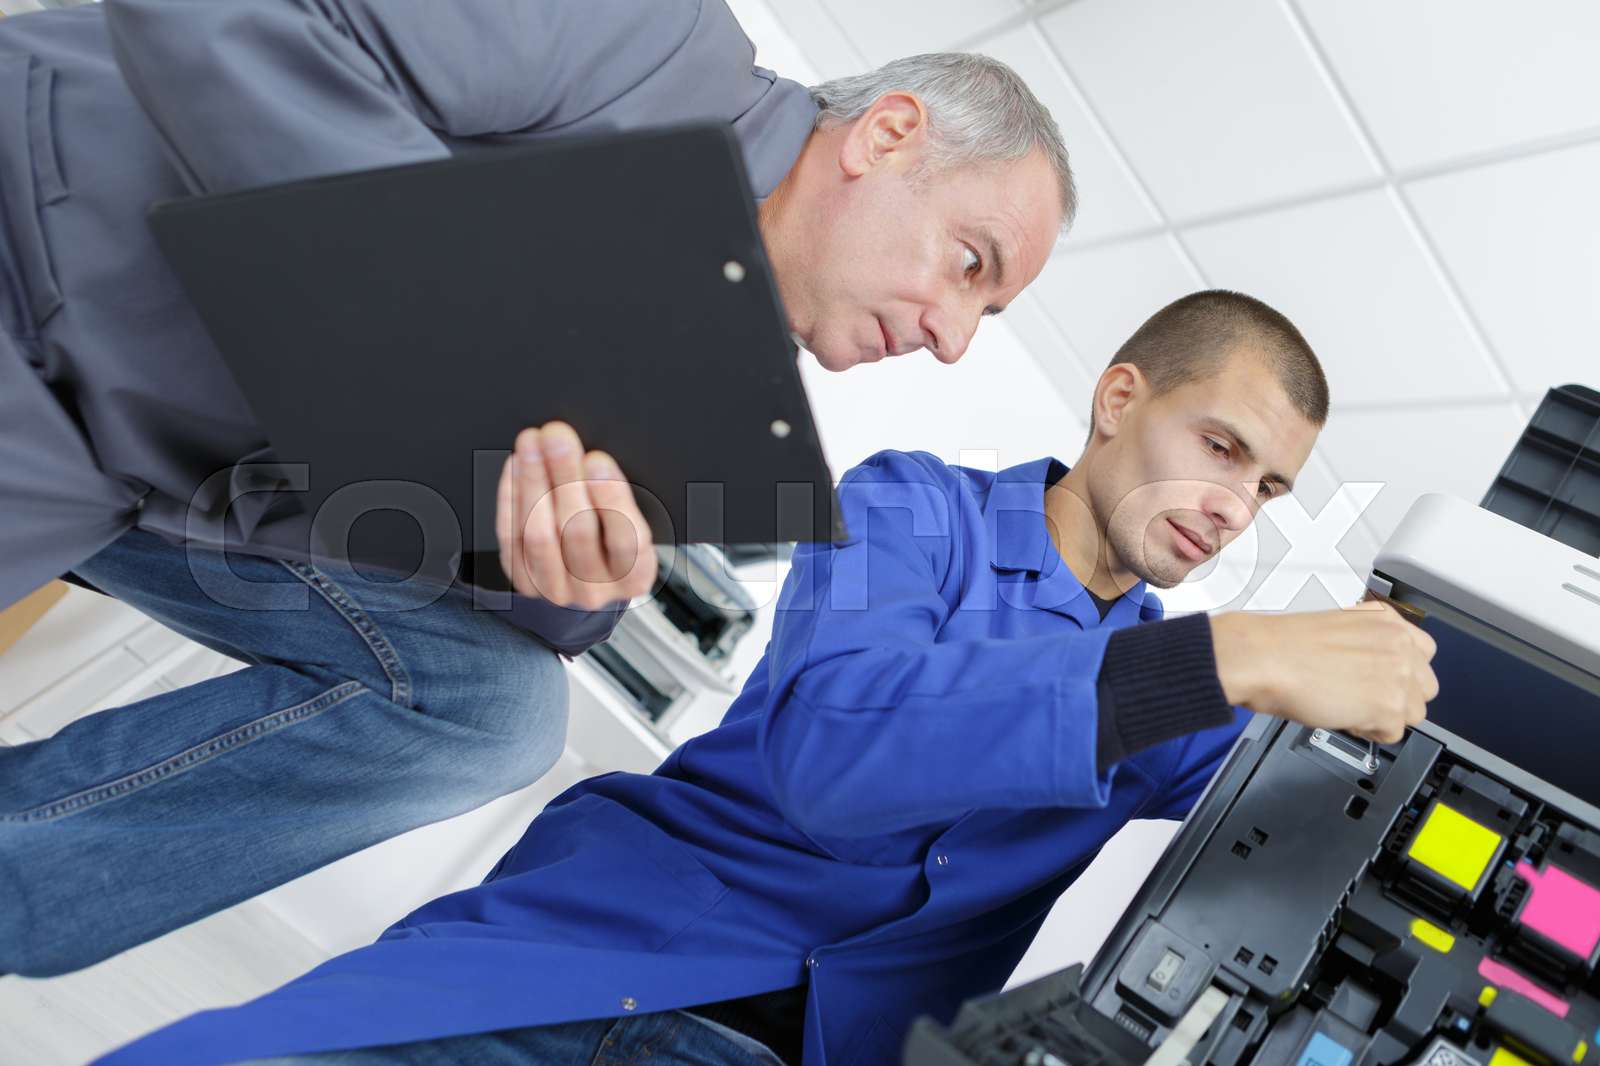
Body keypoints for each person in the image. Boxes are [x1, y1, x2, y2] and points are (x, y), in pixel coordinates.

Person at [0, 1, 1072, 976]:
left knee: (495, 709)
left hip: (144, 467)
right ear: (887, 135)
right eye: (968, 265)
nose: (951, 337)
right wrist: (457, 306)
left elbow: (486, 541)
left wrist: (564, 574)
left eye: (985, 319)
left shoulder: (706, 364)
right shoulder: (647, 35)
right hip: (44, 258)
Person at [100, 291, 1439, 1066]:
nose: (1233, 505)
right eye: (1220, 446)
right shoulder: (910, 511)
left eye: (1268, 488)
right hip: (590, 967)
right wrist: (1228, 653)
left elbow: (1351, 823)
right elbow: (835, 748)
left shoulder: (1191, 708)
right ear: (1119, 396)